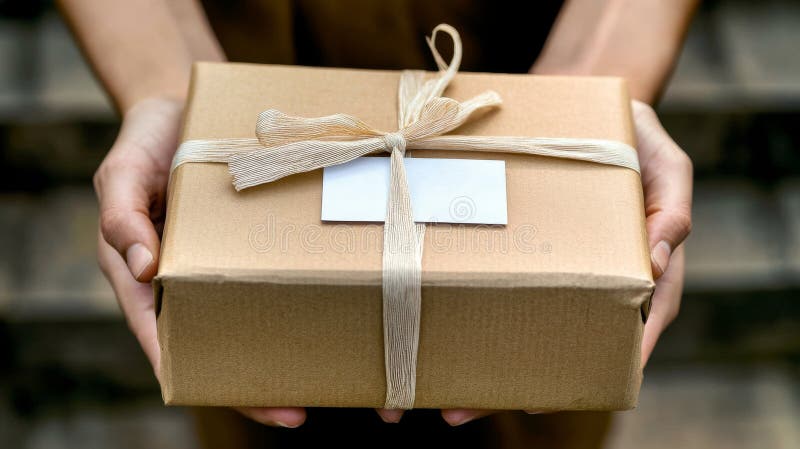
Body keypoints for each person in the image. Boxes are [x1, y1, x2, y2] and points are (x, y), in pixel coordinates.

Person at [59, 0, 696, 447]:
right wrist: (169, 90)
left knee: (538, 420)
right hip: (252, 81)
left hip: (522, 52)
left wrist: (598, 91)